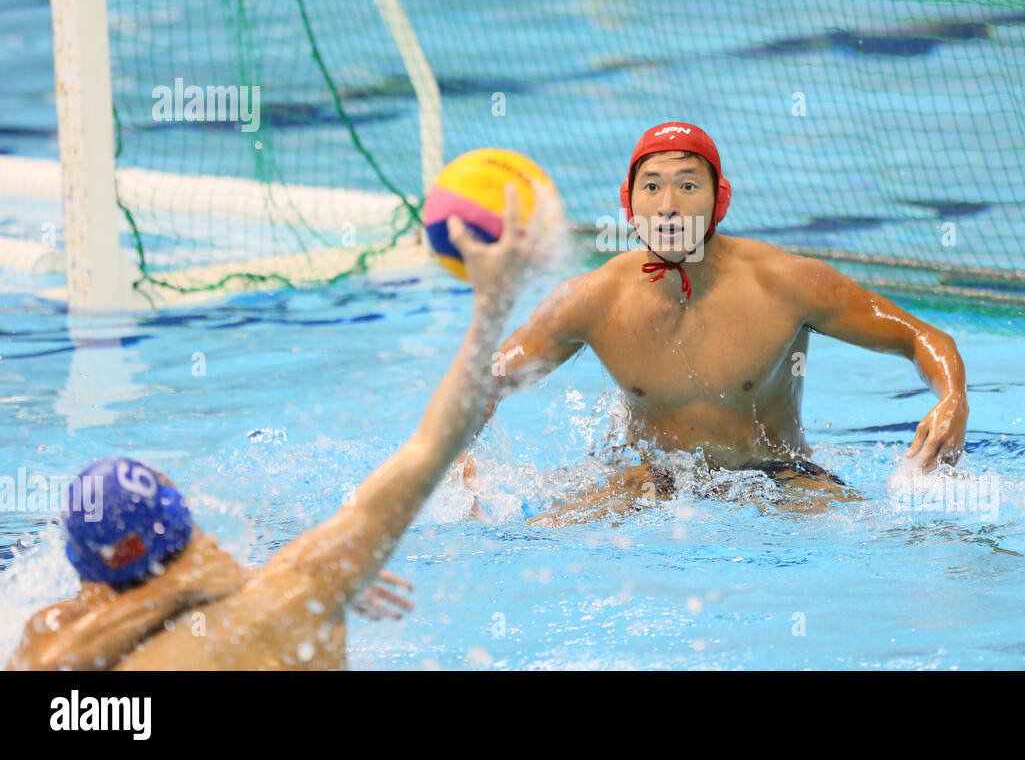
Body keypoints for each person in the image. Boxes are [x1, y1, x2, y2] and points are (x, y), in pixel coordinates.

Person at [6, 186, 542, 670]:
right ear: (187, 527)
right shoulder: (296, 589)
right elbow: (430, 449)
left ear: (84, 571)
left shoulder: (51, 639)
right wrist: (491, 307)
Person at [462, 122, 969, 526]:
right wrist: (457, 460)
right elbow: (489, 380)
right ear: (630, 202)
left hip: (777, 476)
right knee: (534, 535)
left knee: (896, 533)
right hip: (650, 481)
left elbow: (920, 336)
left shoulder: (786, 283)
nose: (668, 205)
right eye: (652, 187)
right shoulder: (591, 300)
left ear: (718, 199)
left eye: (687, 186)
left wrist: (952, 400)